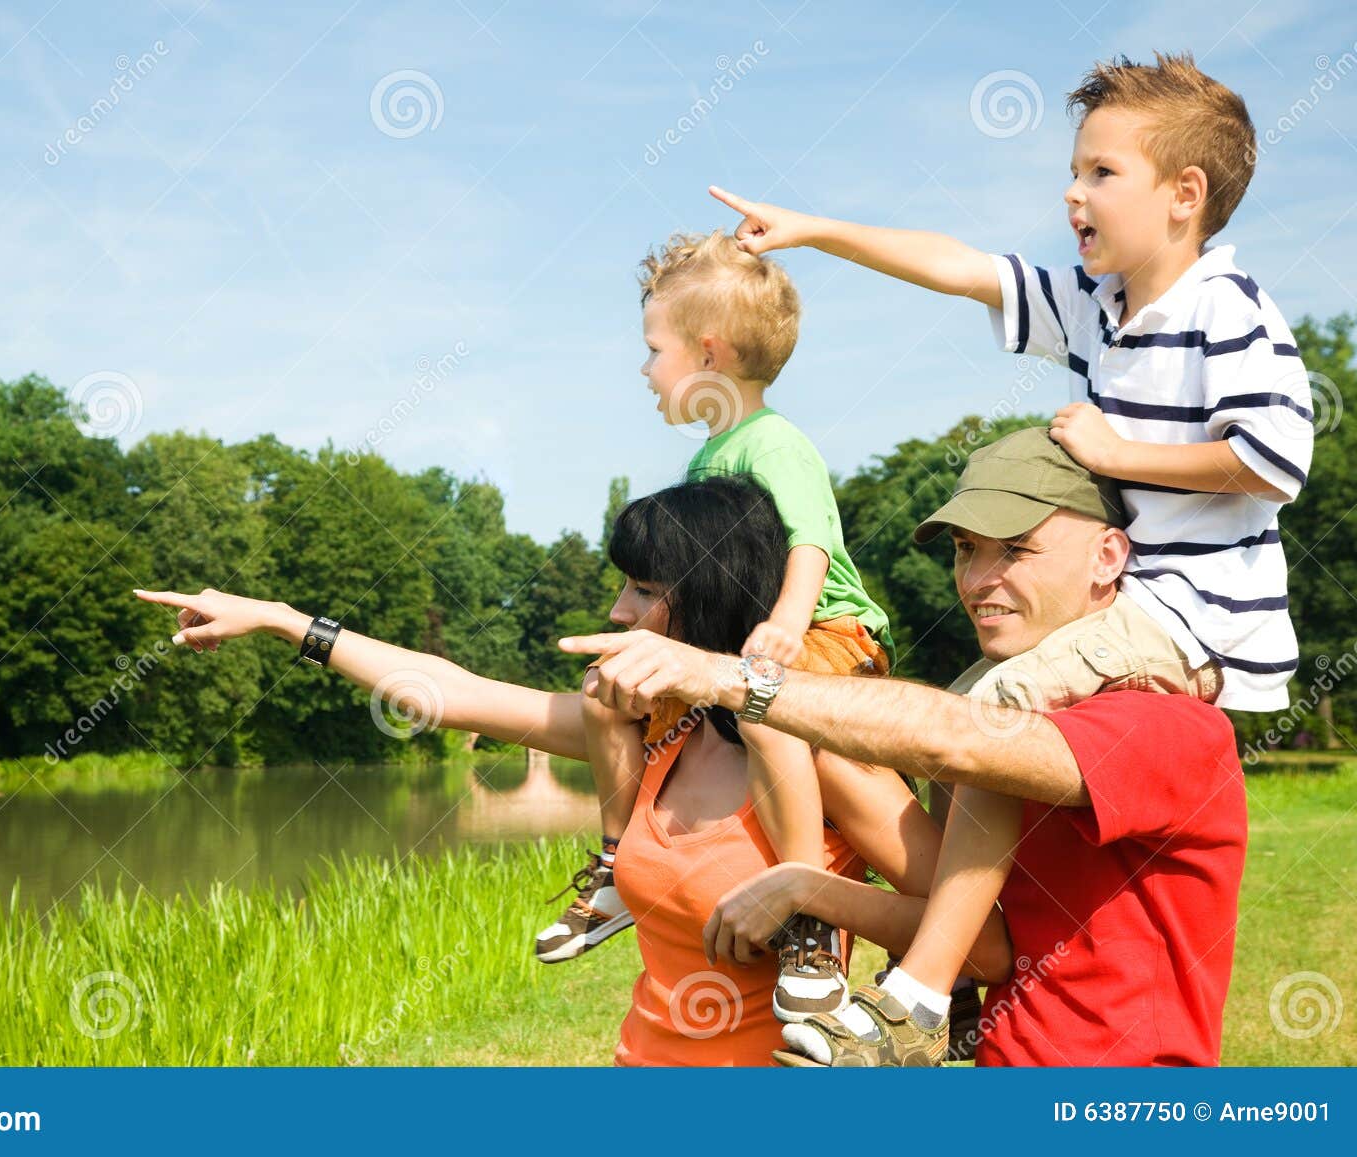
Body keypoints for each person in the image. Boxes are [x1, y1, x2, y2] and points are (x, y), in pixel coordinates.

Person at [703, 51, 1311, 1059]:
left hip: (1191, 613)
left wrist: (1117, 452)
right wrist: (813, 229)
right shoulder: (1099, 302)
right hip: (1134, 598)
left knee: (983, 722)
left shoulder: (1226, 308)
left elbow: (1274, 457)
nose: (1073, 194)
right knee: (949, 720)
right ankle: (954, 953)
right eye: (1073, 171)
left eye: (1101, 172)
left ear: (1184, 194)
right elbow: (960, 266)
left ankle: (918, 988)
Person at [133, 475, 906, 1066]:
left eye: (643, 589)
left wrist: (809, 893)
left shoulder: (817, 751)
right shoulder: (657, 732)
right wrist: (282, 619)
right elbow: (452, 693)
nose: (618, 610)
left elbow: (963, 935)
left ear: (708, 595)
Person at [564, 427, 1250, 1067]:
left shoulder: (1163, 726)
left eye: (1015, 550)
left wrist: (726, 676)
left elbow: (957, 739)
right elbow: (991, 927)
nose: (976, 581)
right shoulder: (1014, 710)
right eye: (966, 550)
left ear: (1108, 557)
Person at [541, 229, 895, 1029]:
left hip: (827, 629)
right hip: (740, 642)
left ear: (707, 354)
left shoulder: (773, 442)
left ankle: (807, 913)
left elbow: (809, 543)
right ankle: (616, 863)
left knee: (762, 714)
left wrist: (783, 628)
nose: (643, 369)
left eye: (652, 349)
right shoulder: (710, 459)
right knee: (601, 694)